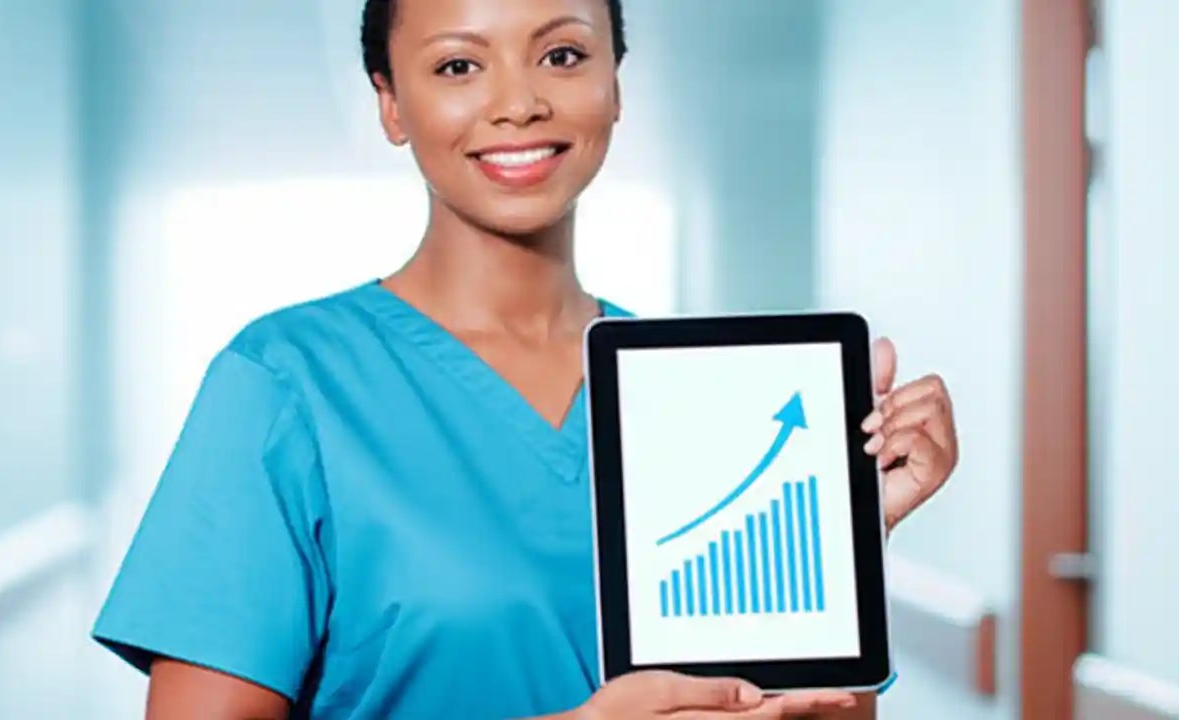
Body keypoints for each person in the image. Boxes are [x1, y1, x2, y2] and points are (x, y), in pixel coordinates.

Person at [91, 0, 961, 717]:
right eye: (459, 66)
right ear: (391, 102)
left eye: (562, 54)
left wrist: (845, 534)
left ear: (616, 83)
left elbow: (788, 706)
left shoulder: (700, 394)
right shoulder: (286, 383)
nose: (518, 104)